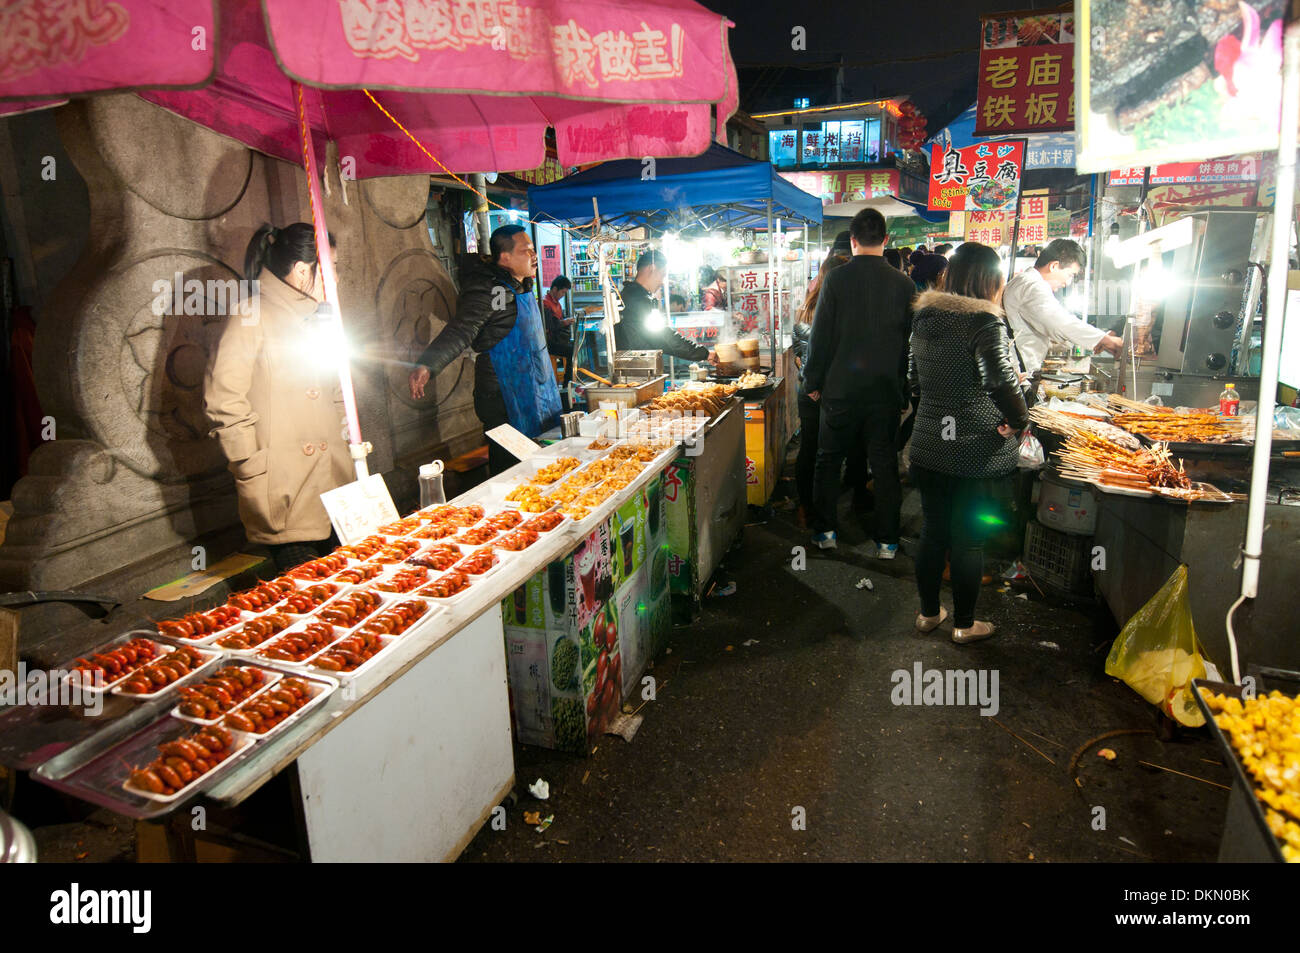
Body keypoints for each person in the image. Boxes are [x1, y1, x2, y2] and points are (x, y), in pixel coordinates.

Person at [205, 223, 350, 572]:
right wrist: (251, 463)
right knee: (309, 600)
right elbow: (224, 400)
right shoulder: (249, 316)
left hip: (334, 479)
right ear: (303, 271)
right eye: (332, 268)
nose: (338, 278)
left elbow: (332, 388)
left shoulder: (320, 319)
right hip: (283, 484)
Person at [908, 242, 1029, 644]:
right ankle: (964, 623)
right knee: (968, 538)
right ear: (990, 281)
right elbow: (999, 381)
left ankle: (928, 614)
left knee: (933, 531)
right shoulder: (984, 322)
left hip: (929, 442)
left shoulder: (924, 317)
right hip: (974, 449)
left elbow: (913, 378)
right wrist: (1019, 420)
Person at [803, 207, 915, 557]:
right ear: (885, 240)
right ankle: (887, 542)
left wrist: (812, 380)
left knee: (828, 460)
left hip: (840, 389)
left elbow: (820, 337)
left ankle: (825, 533)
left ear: (852, 241)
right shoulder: (905, 284)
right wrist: (901, 390)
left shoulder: (836, 279)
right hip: (883, 391)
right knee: (884, 466)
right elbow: (907, 345)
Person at [408, 224, 561, 475]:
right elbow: (463, 328)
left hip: (533, 389)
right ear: (505, 257)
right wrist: (428, 365)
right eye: (527, 250)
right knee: (510, 468)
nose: (534, 256)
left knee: (537, 463)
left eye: (533, 250)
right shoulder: (496, 289)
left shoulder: (521, 286)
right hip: (503, 395)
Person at [792, 247, 851, 527]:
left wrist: (807, 378)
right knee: (828, 452)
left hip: (808, 390)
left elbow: (797, 352)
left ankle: (805, 506)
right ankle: (823, 511)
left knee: (809, 447)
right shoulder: (840, 311)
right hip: (832, 391)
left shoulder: (804, 308)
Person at [1002, 238, 1123, 375]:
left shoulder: (1026, 281)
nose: (1067, 282)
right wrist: (1103, 339)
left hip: (1018, 369)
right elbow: (1059, 322)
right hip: (1017, 371)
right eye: (1070, 274)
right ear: (1054, 266)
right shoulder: (1033, 285)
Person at [616, 250, 711, 362]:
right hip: (637, 368)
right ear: (652, 268)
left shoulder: (630, 294)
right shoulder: (637, 300)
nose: (662, 282)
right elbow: (663, 337)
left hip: (637, 365)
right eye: (662, 275)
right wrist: (704, 354)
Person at [542, 275, 575, 386]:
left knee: (574, 345)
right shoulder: (545, 303)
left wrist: (566, 321)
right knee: (571, 351)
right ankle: (567, 383)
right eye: (563, 292)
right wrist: (565, 322)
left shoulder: (557, 304)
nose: (563, 295)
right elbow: (550, 325)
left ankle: (570, 380)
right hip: (549, 343)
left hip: (557, 339)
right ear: (555, 289)